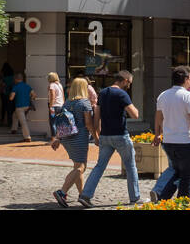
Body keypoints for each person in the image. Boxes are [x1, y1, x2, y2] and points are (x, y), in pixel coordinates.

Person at [78, 69, 141, 207]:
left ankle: (85, 195)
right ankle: (135, 198)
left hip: (105, 136)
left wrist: (97, 135)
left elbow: (97, 116)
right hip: (120, 135)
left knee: (99, 166)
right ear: (124, 80)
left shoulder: (103, 93)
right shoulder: (122, 94)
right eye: (129, 82)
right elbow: (135, 115)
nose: (129, 85)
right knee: (130, 166)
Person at [151, 66, 190, 202]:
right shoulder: (188, 96)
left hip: (169, 142)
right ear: (185, 79)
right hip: (185, 143)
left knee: (176, 172)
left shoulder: (163, 95)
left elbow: (158, 118)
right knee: (186, 178)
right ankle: (182, 204)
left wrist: (157, 135)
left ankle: (161, 197)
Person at [51, 77, 95, 206]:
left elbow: (62, 122)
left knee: (77, 166)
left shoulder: (67, 103)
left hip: (67, 139)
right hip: (79, 138)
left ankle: (83, 195)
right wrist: (96, 137)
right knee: (82, 167)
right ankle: (62, 192)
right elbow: (88, 124)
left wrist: (58, 138)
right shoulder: (84, 103)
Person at [10, 72, 35, 141]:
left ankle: (27, 137)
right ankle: (14, 129)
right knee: (14, 115)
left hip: (19, 107)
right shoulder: (27, 86)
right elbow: (34, 95)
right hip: (27, 106)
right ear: (22, 79)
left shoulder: (15, 87)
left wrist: (10, 96)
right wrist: (30, 98)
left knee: (23, 122)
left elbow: (11, 98)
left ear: (16, 79)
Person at [46, 72, 64, 139]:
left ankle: (53, 139)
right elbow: (62, 96)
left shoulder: (52, 85)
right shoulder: (59, 85)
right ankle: (59, 137)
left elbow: (52, 96)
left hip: (54, 106)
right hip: (60, 105)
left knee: (52, 122)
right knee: (59, 122)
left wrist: (51, 106)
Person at [0, 62, 15, 128]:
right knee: (11, 108)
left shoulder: (4, 78)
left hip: (5, 94)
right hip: (12, 94)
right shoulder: (13, 77)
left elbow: (2, 86)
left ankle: (3, 120)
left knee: (4, 107)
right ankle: (10, 122)